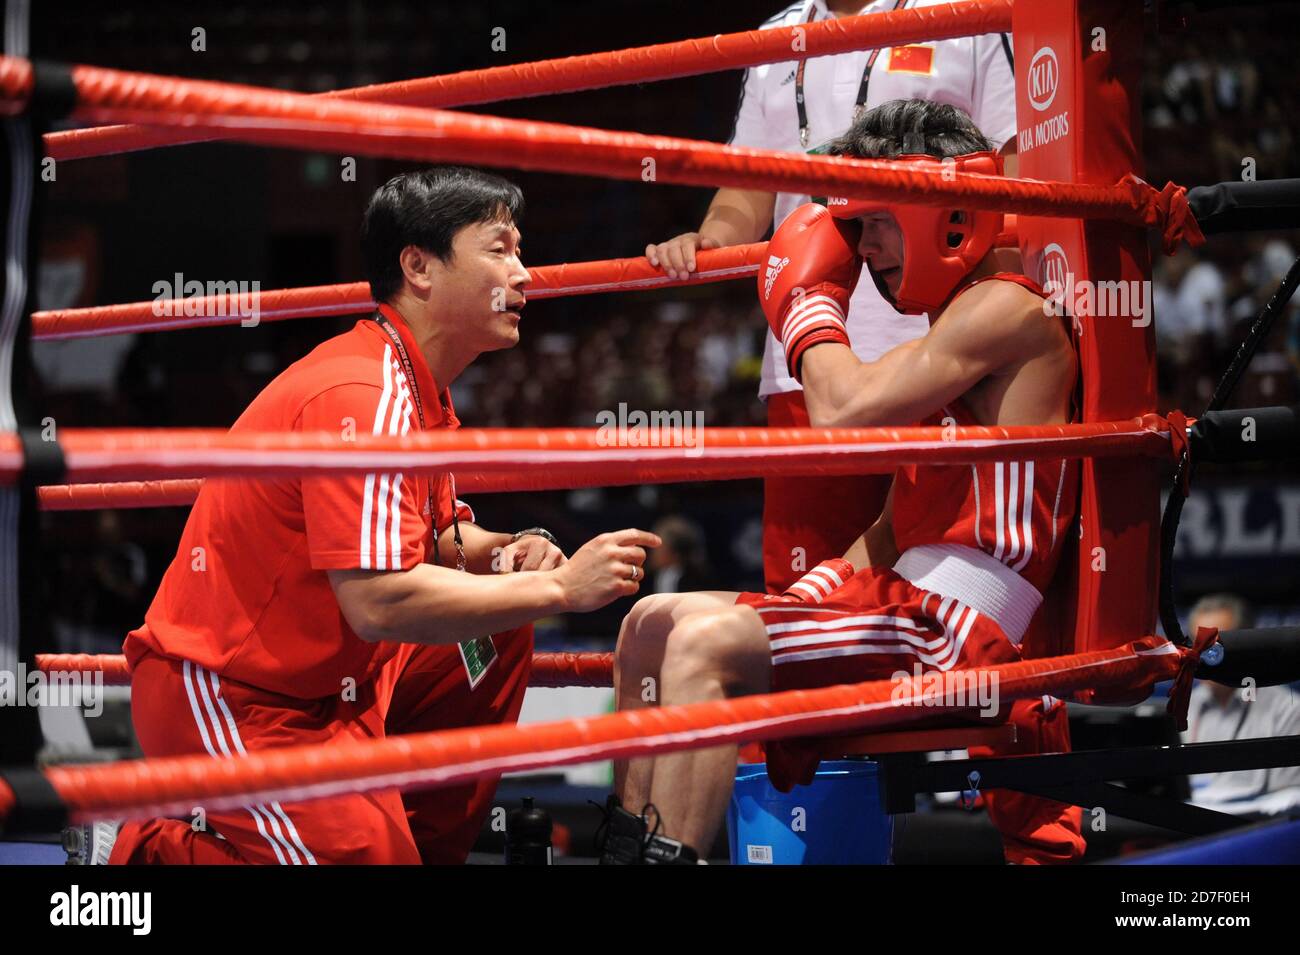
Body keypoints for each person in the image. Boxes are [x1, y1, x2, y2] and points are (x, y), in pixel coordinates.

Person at [104, 166, 660, 865]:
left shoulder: (411, 384)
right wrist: (561, 589)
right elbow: (377, 598)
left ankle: (405, 842)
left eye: (521, 250)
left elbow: (440, 536)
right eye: (500, 249)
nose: (525, 274)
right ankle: (153, 846)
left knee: (497, 633)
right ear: (419, 267)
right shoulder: (362, 393)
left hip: (333, 689)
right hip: (230, 693)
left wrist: (515, 549)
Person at [607, 100, 1082, 864]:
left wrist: (806, 304)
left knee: (699, 646)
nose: (865, 247)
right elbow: (892, 530)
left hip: (965, 632)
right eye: (855, 226)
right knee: (649, 625)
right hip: (906, 602)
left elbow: (837, 408)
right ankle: (624, 854)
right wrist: (808, 597)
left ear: (947, 209)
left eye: (879, 220)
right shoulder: (948, 328)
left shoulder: (1005, 309)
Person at [645, 0, 1016, 597]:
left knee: (943, 573)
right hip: (807, 356)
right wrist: (709, 239)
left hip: (942, 346)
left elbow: (1014, 166)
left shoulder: (959, 11)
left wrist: (999, 309)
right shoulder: (777, 34)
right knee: (807, 589)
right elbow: (748, 180)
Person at [1183, 594, 1300, 816]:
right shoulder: (1182, 707)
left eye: (1215, 646)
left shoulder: (1289, 711)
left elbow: (1291, 802)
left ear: (1246, 648)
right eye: (1196, 644)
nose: (1203, 657)